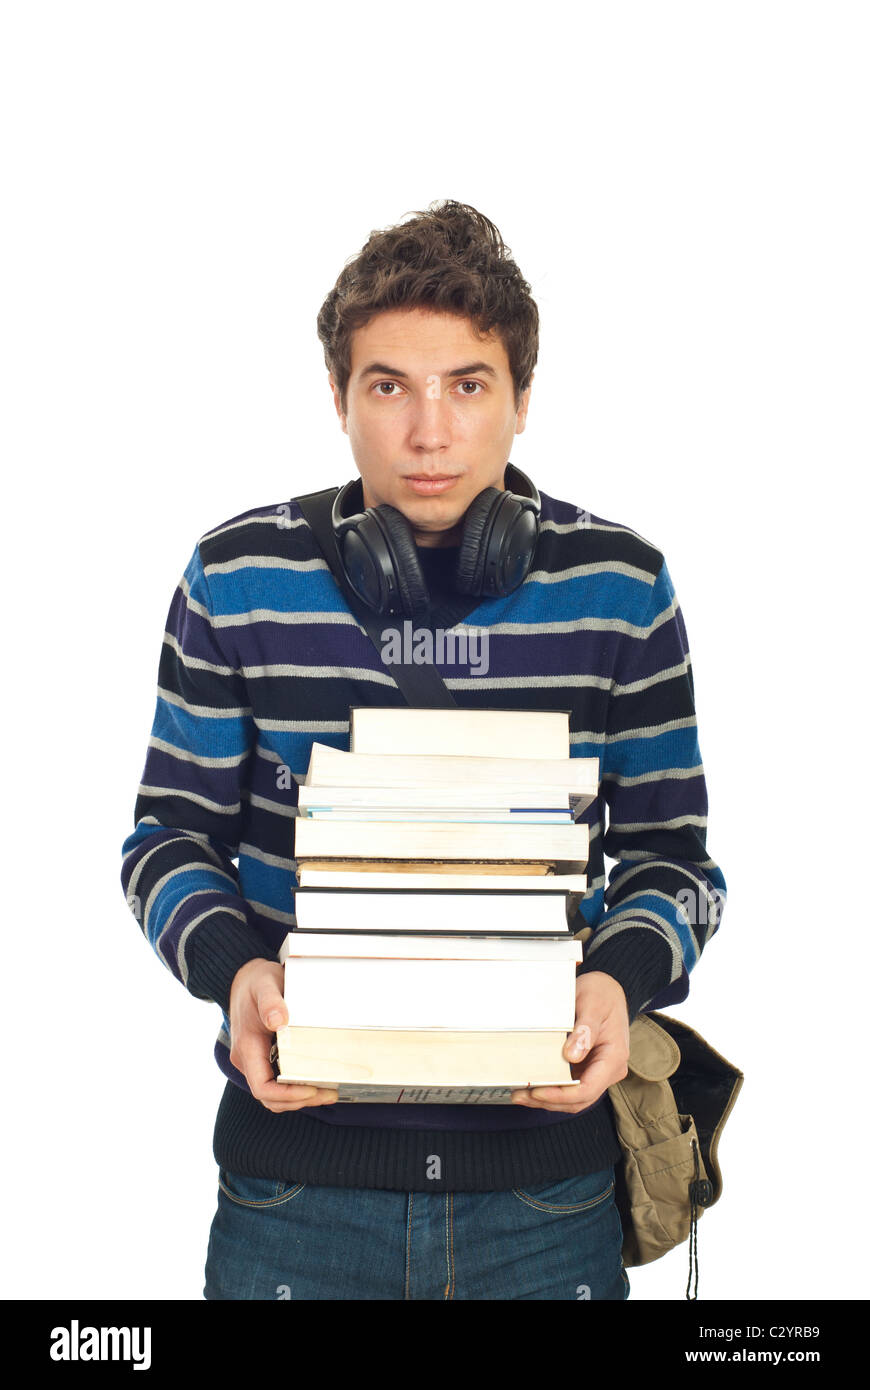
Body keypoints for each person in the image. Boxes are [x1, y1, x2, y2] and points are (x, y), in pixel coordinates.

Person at [120, 200, 726, 1301]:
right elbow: (164, 840)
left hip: (547, 1201)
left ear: (524, 399)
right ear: (341, 402)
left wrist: (616, 982)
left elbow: (679, 866)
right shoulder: (236, 577)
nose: (430, 432)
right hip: (295, 1198)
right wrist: (235, 974)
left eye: (468, 385)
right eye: (389, 385)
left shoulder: (621, 592)